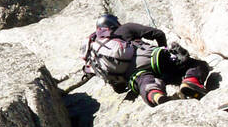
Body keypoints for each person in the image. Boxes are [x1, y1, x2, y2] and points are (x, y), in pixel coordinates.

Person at [81, 13, 210, 107]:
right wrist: (165, 51)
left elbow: (118, 88)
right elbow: (158, 34)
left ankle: (155, 95)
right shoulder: (126, 28)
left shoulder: (99, 55)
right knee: (197, 64)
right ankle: (190, 81)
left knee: (145, 83)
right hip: (152, 59)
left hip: (134, 75)